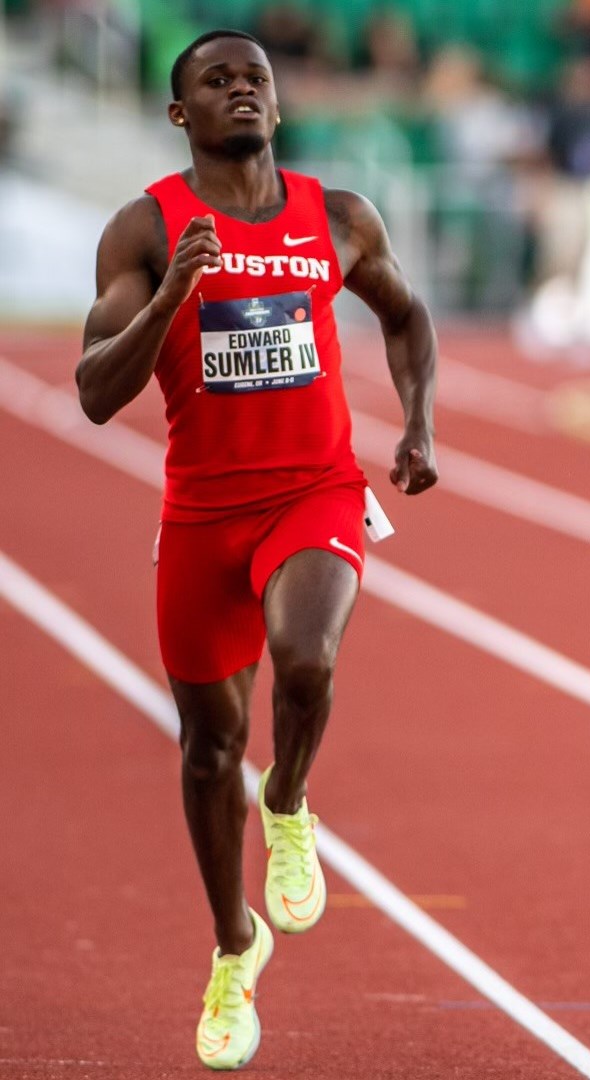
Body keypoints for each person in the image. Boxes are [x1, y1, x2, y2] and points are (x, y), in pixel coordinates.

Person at [75, 29, 439, 1070]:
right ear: (181, 115)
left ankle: (288, 803)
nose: (241, 89)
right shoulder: (146, 228)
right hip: (202, 512)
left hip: (314, 490)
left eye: (256, 80)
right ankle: (235, 944)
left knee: (308, 658)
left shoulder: (340, 218)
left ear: (276, 108)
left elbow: (408, 321)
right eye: (215, 81)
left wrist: (416, 427)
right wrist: (167, 298)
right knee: (206, 749)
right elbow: (97, 393)